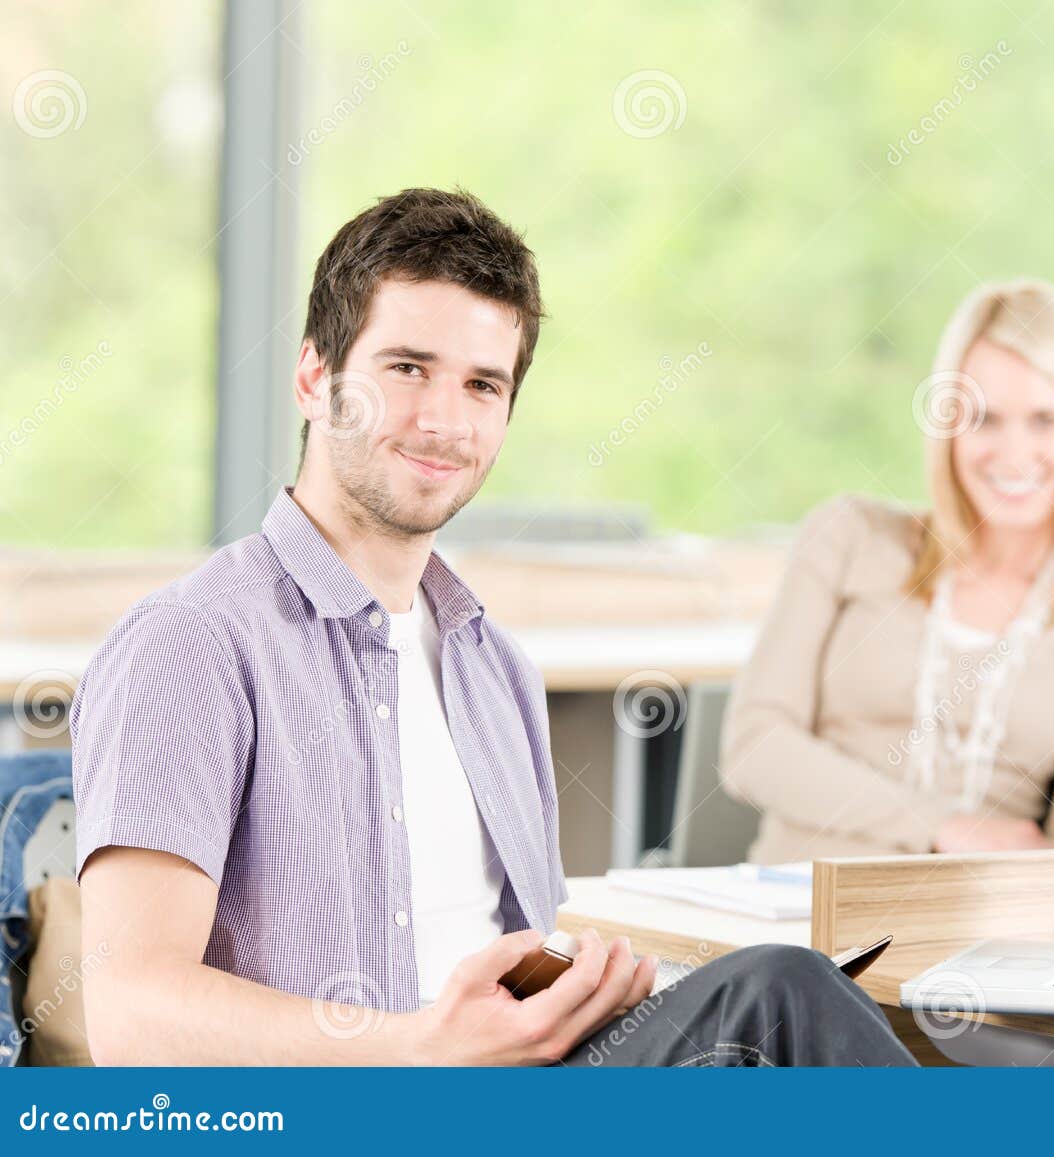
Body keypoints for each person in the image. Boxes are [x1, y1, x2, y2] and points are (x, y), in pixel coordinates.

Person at [70, 188, 913, 1067]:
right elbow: (132, 1018)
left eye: (481, 384)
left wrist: (593, 990)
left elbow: (515, 969)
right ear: (315, 377)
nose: (444, 420)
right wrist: (420, 1049)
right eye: (406, 368)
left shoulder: (490, 664)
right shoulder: (191, 643)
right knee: (783, 997)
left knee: (786, 1004)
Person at [721, 279, 1054, 861]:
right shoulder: (848, 537)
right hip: (791, 912)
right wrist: (940, 825)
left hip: (970, 934)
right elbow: (754, 747)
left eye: (1044, 419)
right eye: (983, 418)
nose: (1012, 452)